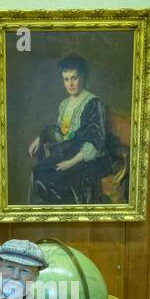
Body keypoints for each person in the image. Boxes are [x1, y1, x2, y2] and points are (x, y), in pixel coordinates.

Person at [29, 54, 113, 205]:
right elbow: (63, 134)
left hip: (88, 160)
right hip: (68, 153)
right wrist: (40, 138)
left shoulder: (94, 103)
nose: (70, 83)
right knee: (39, 171)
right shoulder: (64, 104)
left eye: (74, 77)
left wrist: (70, 163)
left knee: (54, 180)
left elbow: (96, 143)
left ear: (83, 77)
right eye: (66, 79)